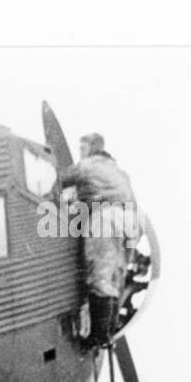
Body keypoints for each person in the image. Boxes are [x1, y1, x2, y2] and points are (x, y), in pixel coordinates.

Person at [59, 133, 137, 349]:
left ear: (93, 148)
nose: (80, 151)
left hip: (105, 218)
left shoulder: (88, 165)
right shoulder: (118, 171)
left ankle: (98, 337)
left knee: (98, 278)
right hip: (129, 221)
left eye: (82, 147)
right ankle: (108, 334)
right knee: (113, 279)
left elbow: (57, 180)